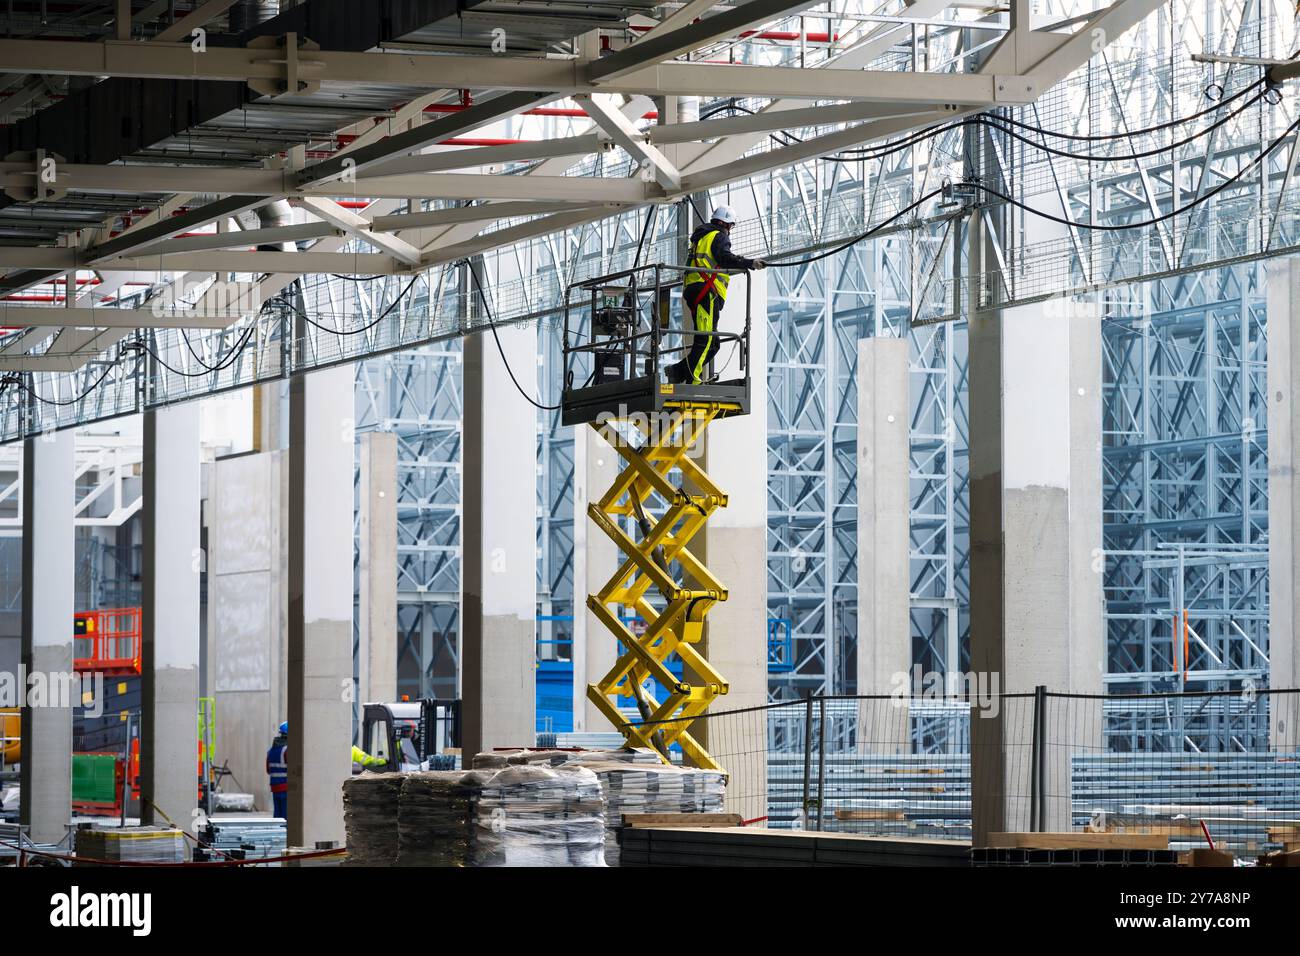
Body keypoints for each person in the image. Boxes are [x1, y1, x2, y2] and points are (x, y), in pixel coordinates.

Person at [666, 205, 767, 386]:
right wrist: (749, 263)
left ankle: (678, 371)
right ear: (726, 224)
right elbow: (724, 257)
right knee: (705, 339)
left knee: (714, 344)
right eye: (731, 227)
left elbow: (717, 258)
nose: (730, 231)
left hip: (695, 289)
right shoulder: (718, 236)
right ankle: (692, 380)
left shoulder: (701, 238)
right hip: (706, 292)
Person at [266, 721, 288, 820]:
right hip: (286, 787)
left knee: (277, 816)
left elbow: (268, 770)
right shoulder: (287, 750)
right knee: (286, 816)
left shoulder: (271, 751)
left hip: (275, 787)